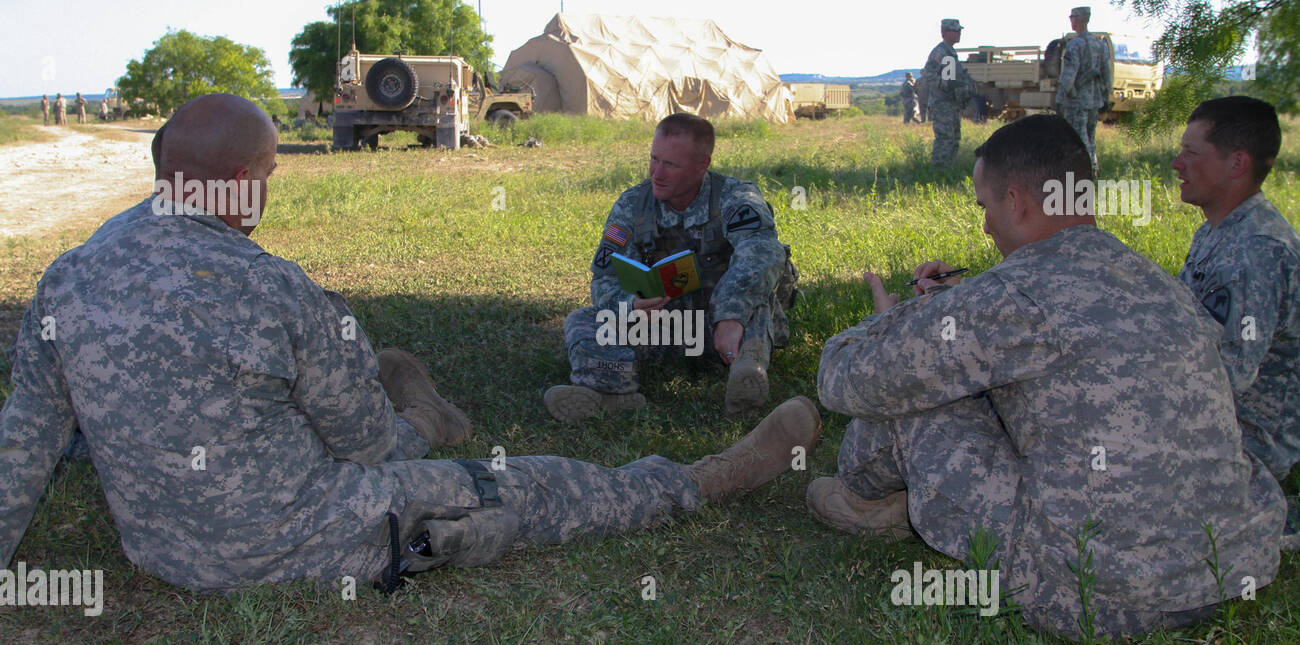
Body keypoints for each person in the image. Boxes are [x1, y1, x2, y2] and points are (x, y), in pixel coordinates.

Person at [0, 93, 822, 593]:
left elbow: (24, 442)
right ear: (245, 182)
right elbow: (362, 449)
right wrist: (400, 428)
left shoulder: (67, 277)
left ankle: (421, 404)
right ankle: (701, 479)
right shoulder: (275, 289)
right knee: (528, 485)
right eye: (272, 170)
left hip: (158, 550)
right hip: (299, 535)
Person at [807, 114, 1284, 638]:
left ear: (1016, 201)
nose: (986, 225)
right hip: (1229, 568)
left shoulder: (1015, 293)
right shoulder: (1153, 280)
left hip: (1097, 595)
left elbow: (845, 381)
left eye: (985, 206)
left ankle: (861, 502)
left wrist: (887, 320)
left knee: (914, 396)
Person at [545, 113, 797, 421]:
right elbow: (604, 276)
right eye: (654, 159)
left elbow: (762, 253)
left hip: (729, 331)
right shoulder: (633, 204)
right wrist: (631, 306)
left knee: (758, 292)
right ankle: (610, 393)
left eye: (671, 165)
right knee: (582, 320)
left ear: (702, 165)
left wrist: (731, 315)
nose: (657, 173)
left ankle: (747, 368)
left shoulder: (735, 197)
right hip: (668, 327)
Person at [1171, 97, 1300, 541]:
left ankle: (1268, 515)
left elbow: (1222, 379)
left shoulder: (1256, 252)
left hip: (1248, 437)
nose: (1177, 162)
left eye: (1191, 151)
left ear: (1237, 163)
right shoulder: (1217, 231)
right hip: (1215, 414)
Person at [1056, 6, 1111, 173]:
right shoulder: (1099, 45)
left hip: (1076, 101)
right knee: (1090, 137)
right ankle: (1092, 168)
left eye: (1072, 17)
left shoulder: (1075, 45)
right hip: (1094, 100)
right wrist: (1105, 95)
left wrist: (1067, 95)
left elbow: (1068, 77)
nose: (1071, 20)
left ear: (1079, 20)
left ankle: (1085, 171)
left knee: (1078, 138)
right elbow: (1106, 74)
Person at [922, 19, 975, 167]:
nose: (959, 34)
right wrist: (946, 85)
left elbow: (957, 75)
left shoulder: (950, 52)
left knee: (954, 138)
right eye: (955, 31)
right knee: (945, 139)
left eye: (959, 31)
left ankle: (947, 171)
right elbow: (929, 74)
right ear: (944, 32)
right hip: (942, 104)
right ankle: (938, 172)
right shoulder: (940, 52)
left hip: (952, 104)